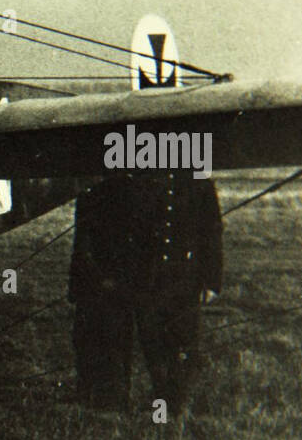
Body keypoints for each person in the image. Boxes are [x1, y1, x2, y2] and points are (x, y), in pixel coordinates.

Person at [69, 171, 222, 413]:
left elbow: (211, 232)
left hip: (179, 278)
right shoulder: (117, 182)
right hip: (134, 276)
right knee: (125, 339)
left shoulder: (195, 182)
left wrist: (211, 279)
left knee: (176, 343)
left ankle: (173, 404)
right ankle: (111, 403)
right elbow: (93, 232)